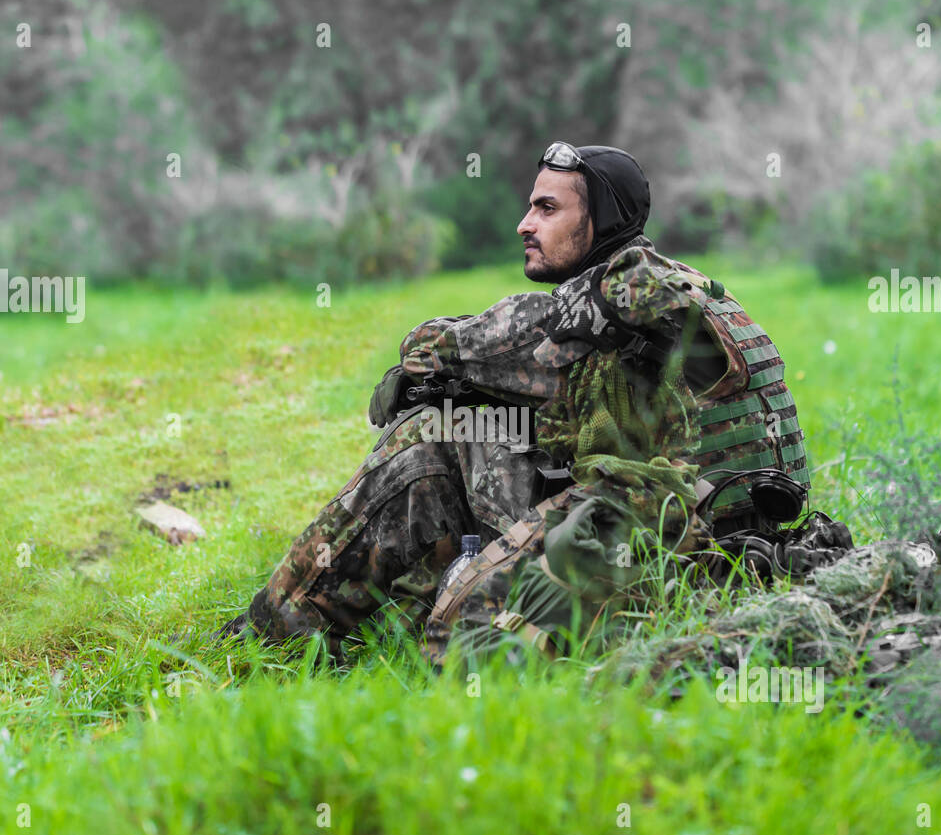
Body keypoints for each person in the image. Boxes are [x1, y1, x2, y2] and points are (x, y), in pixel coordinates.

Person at [219, 142, 811, 665]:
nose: (524, 225)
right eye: (531, 206)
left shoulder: (606, 297)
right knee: (462, 423)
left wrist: (423, 376)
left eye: (548, 209)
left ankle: (272, 635)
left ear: (601, 221)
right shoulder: (684, 286)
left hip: (671, 548)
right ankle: (363, 613)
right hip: (744, 545)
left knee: (429, 442)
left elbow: (440, 342)